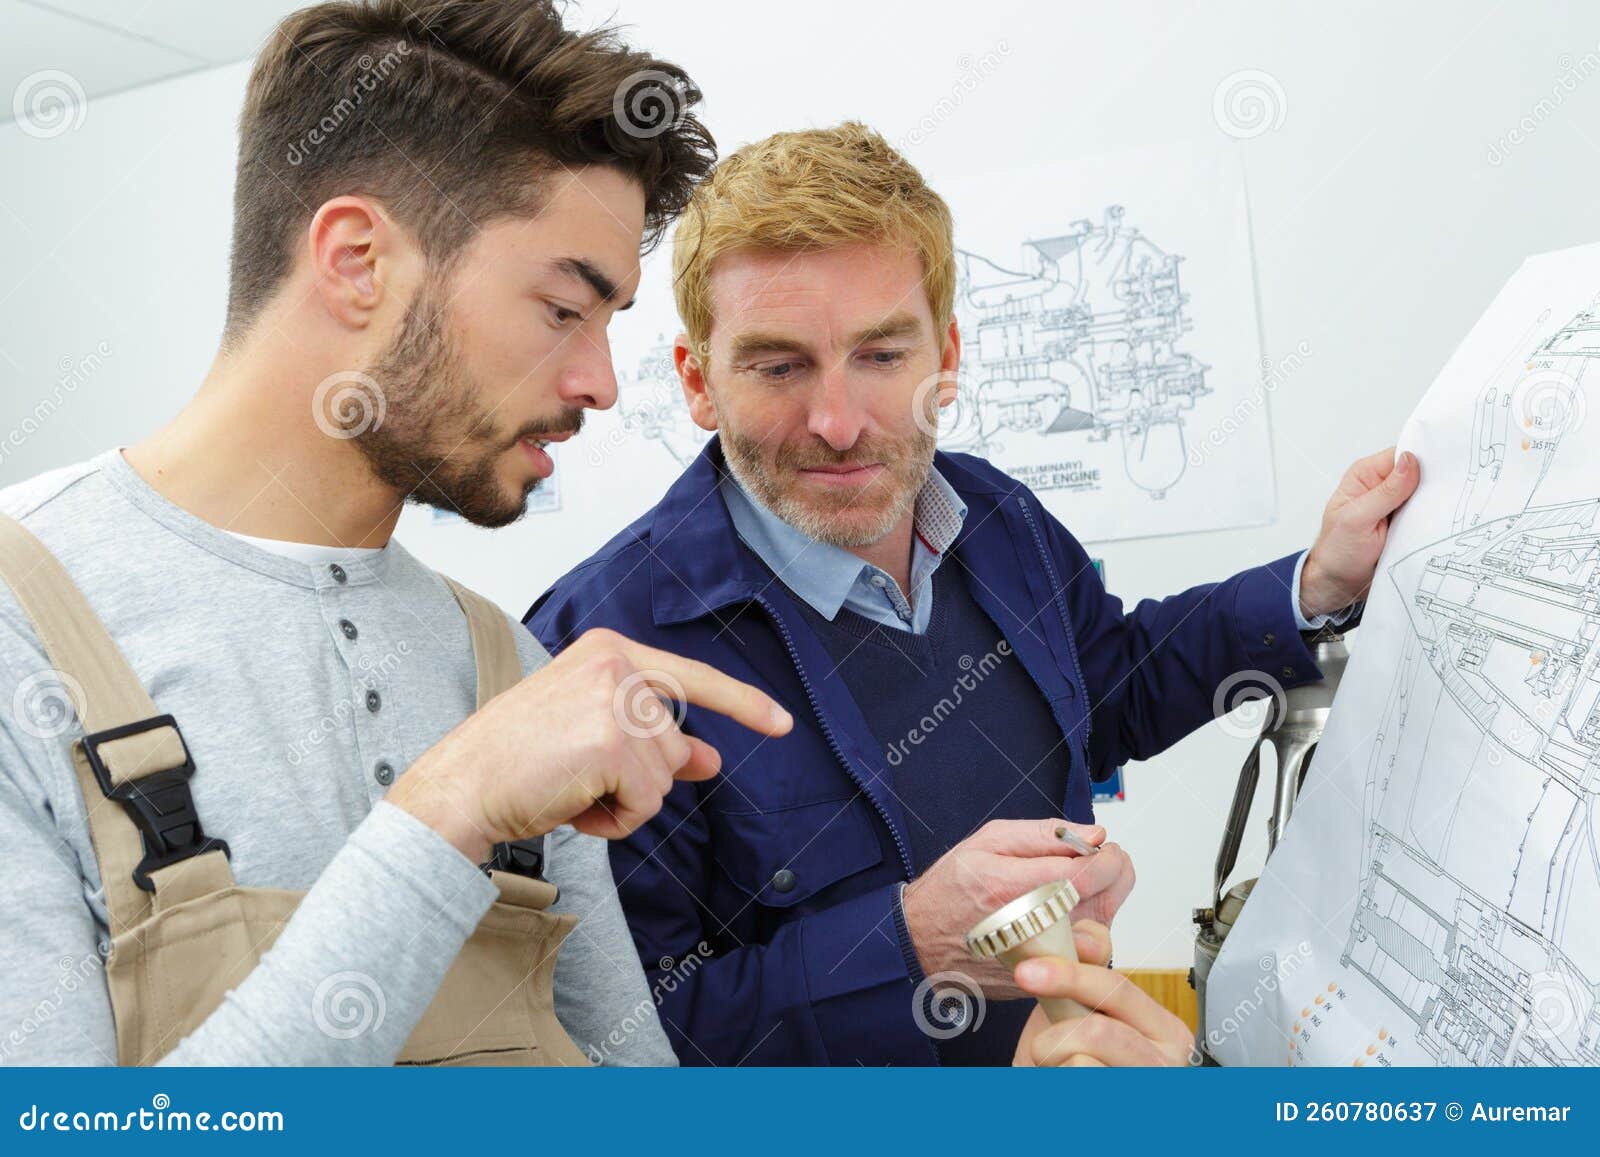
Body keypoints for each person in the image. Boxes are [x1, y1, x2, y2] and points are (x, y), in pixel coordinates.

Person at [0, 0, 798, 1067]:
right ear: (358, 260)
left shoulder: (504, 664)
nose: (599, 383)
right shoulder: (24, 633)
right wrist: (450, 806)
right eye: (565, 308)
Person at [527, 122, 1420, 1066]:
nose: (838, 422)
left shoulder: (998, 516)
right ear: (698, 380)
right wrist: (907, 945)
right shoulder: (595, 648)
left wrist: (1315, 584)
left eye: (881, 355)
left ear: (944, 356)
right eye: (779, 365)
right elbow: (612, 1038)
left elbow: (1108, 687)